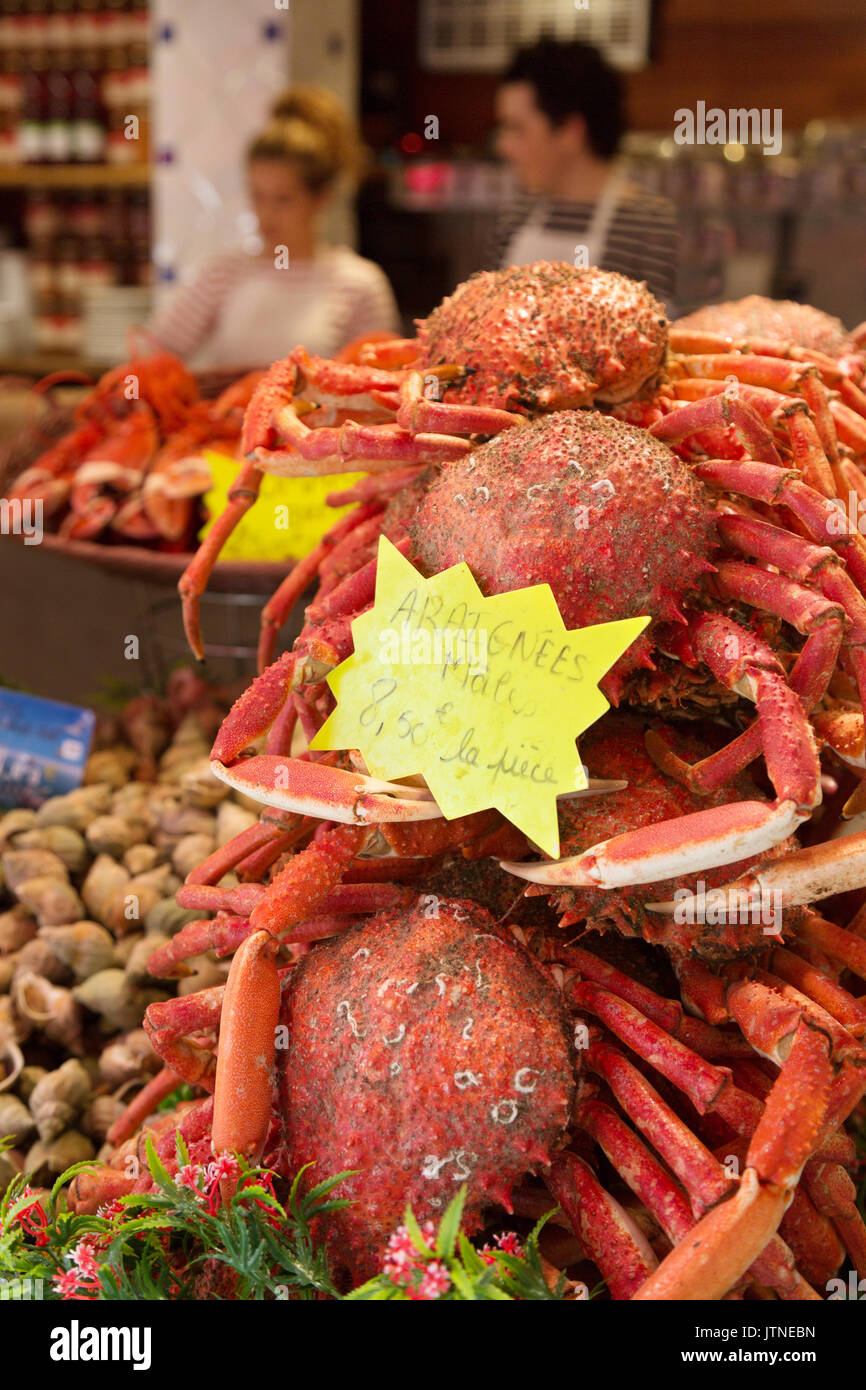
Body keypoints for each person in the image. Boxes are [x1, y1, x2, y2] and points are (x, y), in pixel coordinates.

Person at [144, 87, 400, 368]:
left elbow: (382, 383)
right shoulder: (223, 274)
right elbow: (152, 354)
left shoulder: (360, 284)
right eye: (258, 196)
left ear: (320, 198)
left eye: (283, 199)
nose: (267, 214)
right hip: (227, 412)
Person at [489, 41, 678, 311]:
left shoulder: (647, 222)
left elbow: (661, 334)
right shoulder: (516, 215)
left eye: (516, 128)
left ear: (571, 131)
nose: (502, 145)